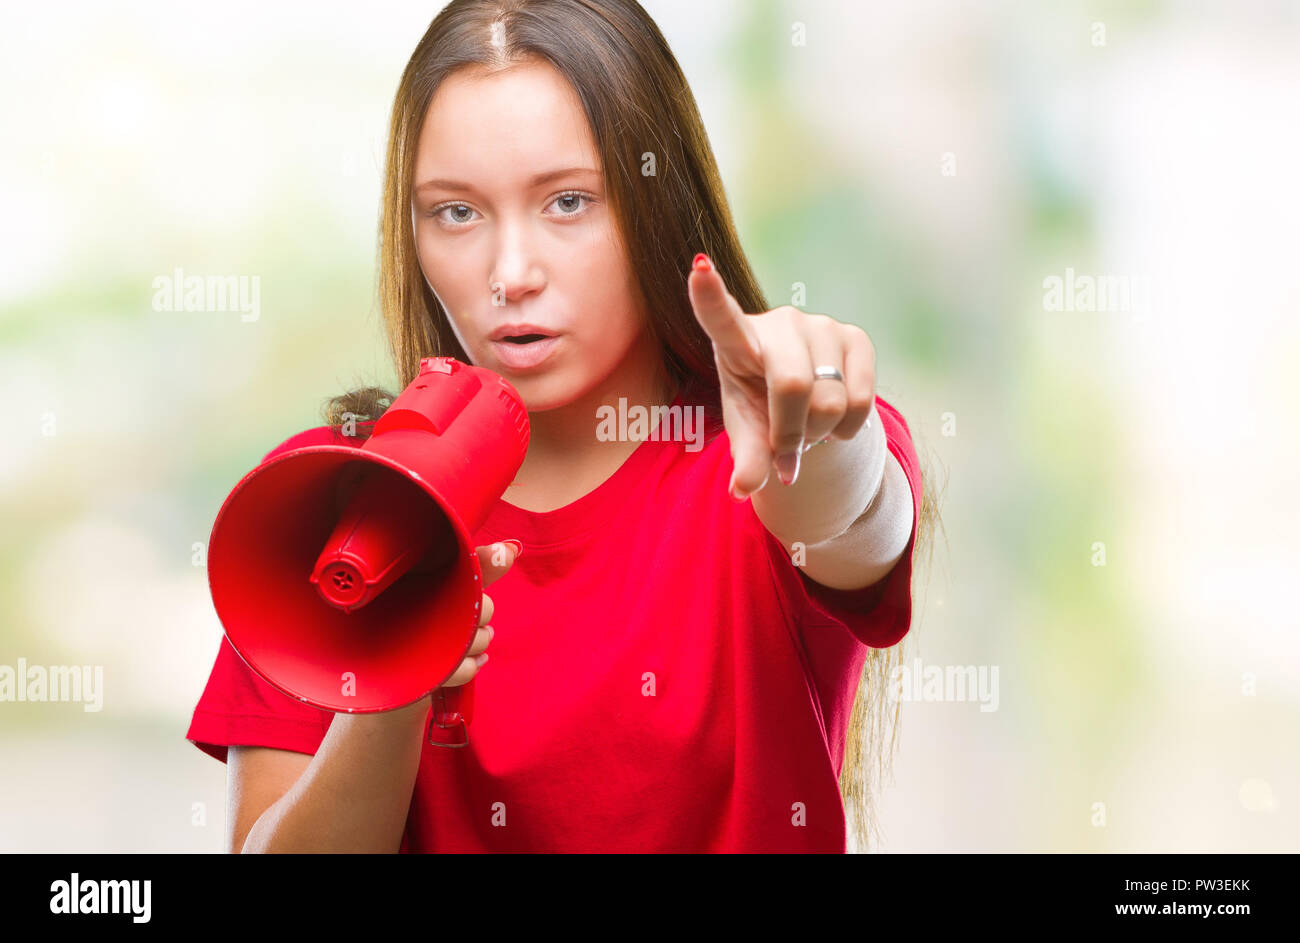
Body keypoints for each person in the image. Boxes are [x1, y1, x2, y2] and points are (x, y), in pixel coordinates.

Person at [187, 0, 937, 853]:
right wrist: (392, 673)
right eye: (456, 212)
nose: (510, 273)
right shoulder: (331, 502)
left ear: (660, 204)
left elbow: (853, 519)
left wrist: (826, 431)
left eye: (569, 201)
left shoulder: (770, 451)